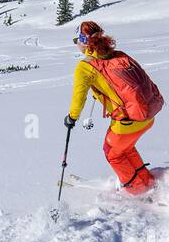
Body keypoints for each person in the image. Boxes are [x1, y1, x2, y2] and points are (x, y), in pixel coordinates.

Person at [64, 20, 163, 196]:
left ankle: (137, 192)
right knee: (125, 149)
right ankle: (146, 181)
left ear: (83, 41)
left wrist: (72, 117)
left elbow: (79, 97)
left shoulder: (85, 67)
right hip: (147, 115)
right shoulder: (119, 55)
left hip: (127, 122)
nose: (76, 45)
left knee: (112, 153)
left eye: (76, 40)